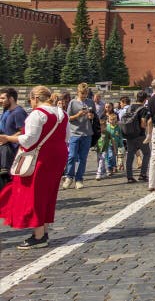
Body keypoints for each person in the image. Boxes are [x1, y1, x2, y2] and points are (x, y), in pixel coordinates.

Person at [0, 86, 69, 249]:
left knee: (35, 195)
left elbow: (29, 139)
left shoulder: (37, 114)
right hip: (57, 156)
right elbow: (67, 136)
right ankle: (43, 231)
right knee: (48, 195)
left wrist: (7, 138)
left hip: (41, 158)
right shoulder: (62, 113)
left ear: (36, 98)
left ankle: (39, 236)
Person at [63, 82, 95, 190]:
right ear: (78, 92)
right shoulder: (72, 103)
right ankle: (69, 177)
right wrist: (78, 115)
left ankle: (79, 179)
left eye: (86, 93)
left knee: (83, 158)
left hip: (87, 133)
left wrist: (91, 116)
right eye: (82, 93)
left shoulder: (90, 102)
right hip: (74, 133)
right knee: (72, 156)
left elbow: (94, 116)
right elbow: (68, 118)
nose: (84, 95)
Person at [0, 88, 28, 190]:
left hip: (12, 152)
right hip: (3, 151)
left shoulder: (18, 112)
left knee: (7, 182)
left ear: (11, 98)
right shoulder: (6, 111)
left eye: (3, 98)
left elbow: (23, 131)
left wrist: (7, 139)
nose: (0, 100)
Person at [123, 91, 151, 183]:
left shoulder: (129, 107)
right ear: (145, 99)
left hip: (129, 134)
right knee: (147, 153)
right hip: (140, 135)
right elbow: (143, 124)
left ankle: (129, 177)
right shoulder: (143, 109)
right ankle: (143, 174)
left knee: (130, 155)